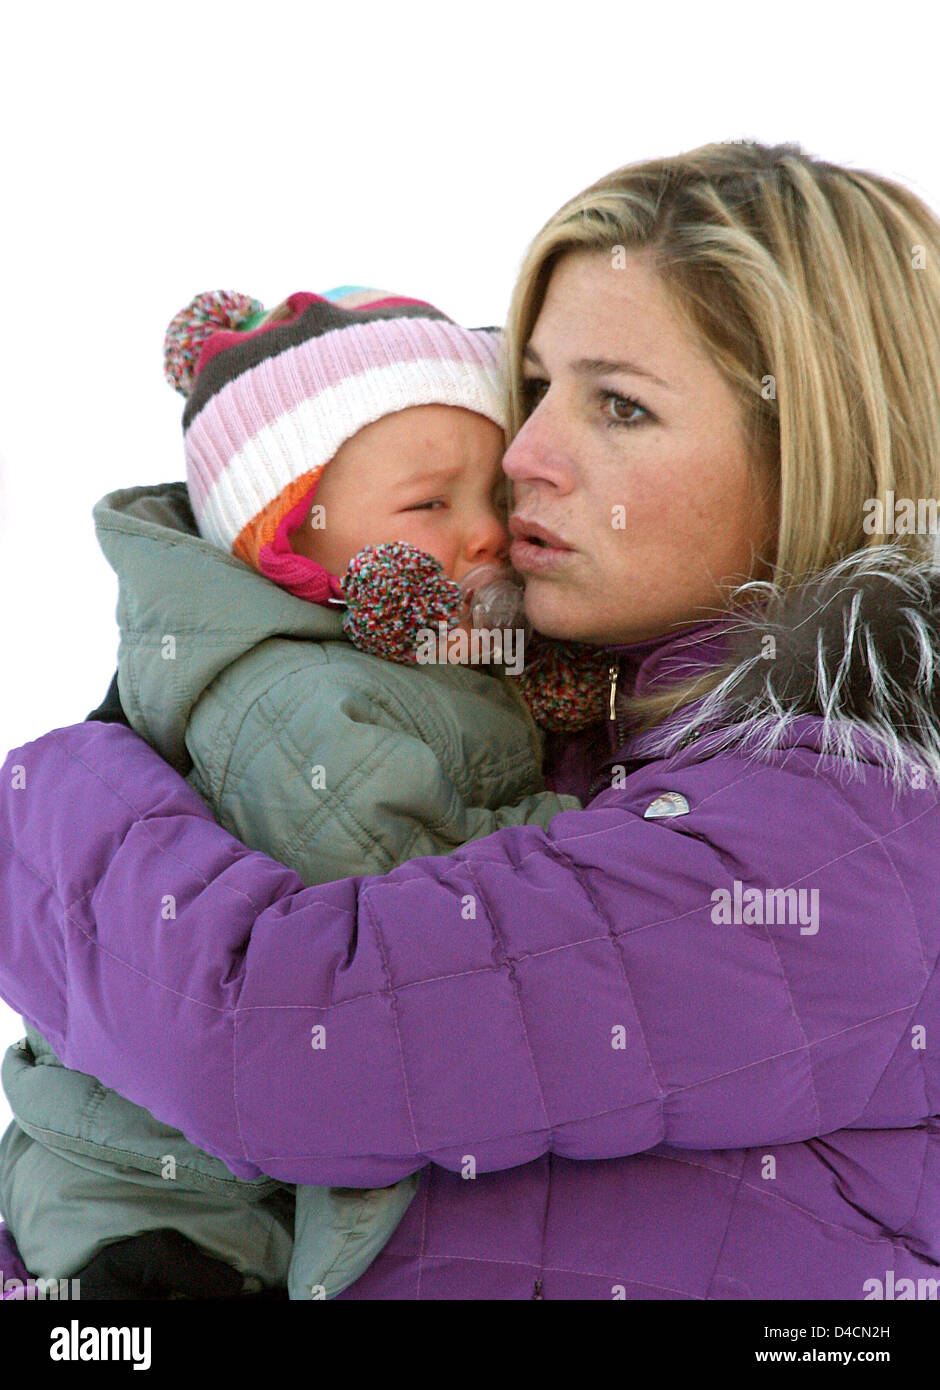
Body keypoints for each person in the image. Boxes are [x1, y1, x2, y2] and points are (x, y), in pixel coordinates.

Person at [2, 138, 940, 1300]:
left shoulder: (847, 834)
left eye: (620, 405)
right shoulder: (541, 729)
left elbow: (280, 1048)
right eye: (532, 386)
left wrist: (62, 784)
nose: (525, 454)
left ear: (813, 450)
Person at [0, 285, 596, 1300]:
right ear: (287, 543)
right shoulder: (300, 699)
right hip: (161, 1208)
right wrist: (606, 831)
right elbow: (411, 894)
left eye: (491, 494)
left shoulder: (407, 662)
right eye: (426, 505)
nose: (485, 532)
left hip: (228, 1177)